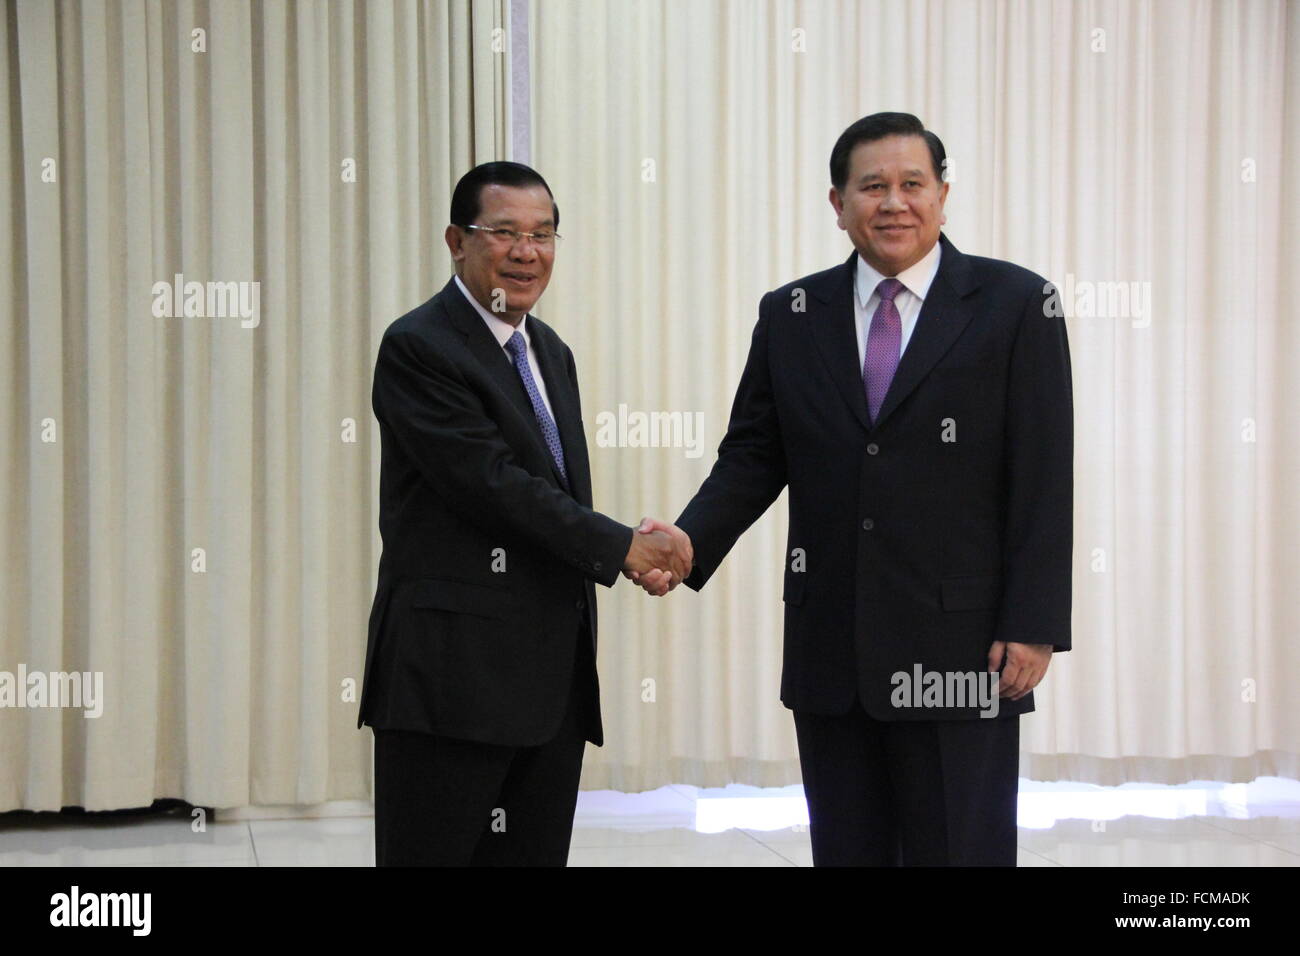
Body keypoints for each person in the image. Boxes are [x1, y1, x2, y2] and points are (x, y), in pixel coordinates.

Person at [632, 113, 1073, 865]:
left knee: (958, 850)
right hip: (833, 646)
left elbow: (1043, 472)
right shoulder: (792, 314)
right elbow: (752, 456)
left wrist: (1033, 620)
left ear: (943, 194)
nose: (893, 203)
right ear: (837, 204)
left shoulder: (1016, 304)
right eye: (873, 187)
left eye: (912, 184)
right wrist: (690, 538)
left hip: (961, 650)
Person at [358, 161, 691, 865]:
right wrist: (620, 547)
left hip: (551, 683)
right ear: (456, 240)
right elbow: (493, 485)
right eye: (503, 232)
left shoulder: (549, 351)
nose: (526, 251)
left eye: (542, 234)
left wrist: (622, 545)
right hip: (453, 680)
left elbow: (555, 497)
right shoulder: (420, 346)